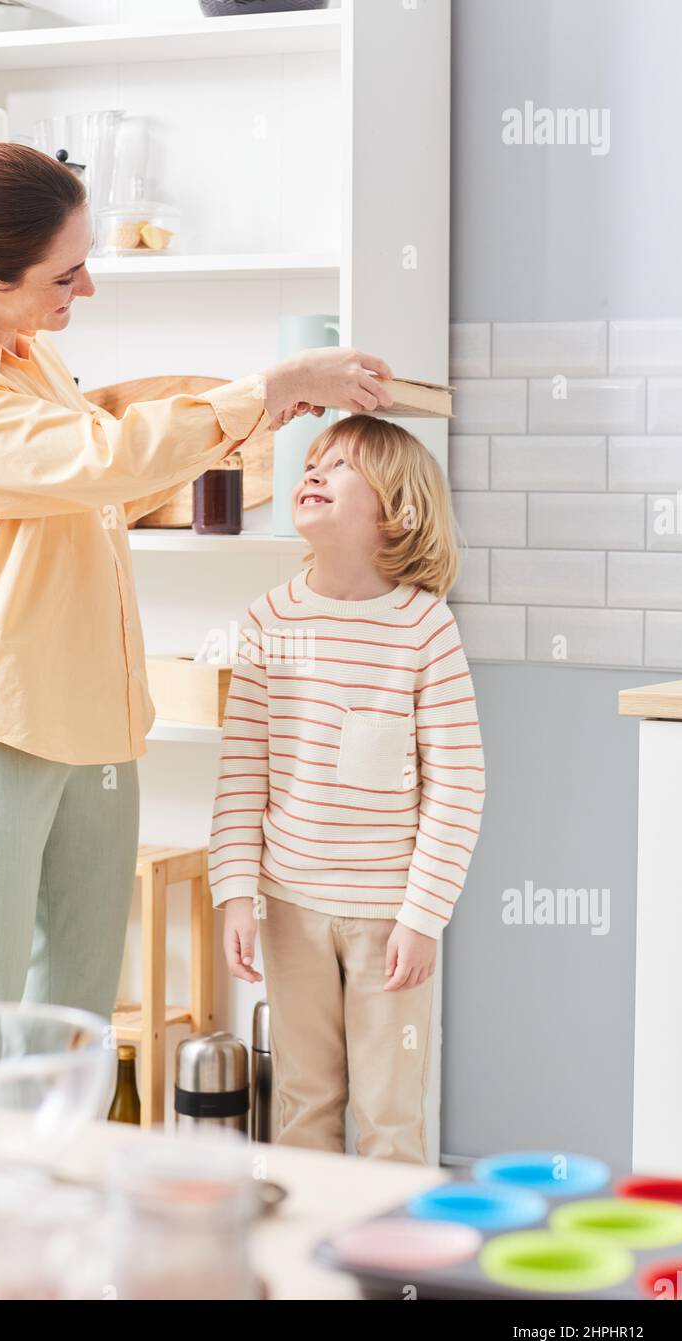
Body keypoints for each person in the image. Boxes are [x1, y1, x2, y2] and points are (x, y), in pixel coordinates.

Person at [0, 142, 394, 1019]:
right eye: (66, 277)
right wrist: (266, 387)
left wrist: (262, 409)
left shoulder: (31, 358)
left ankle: (54, 1158)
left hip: (95, 720)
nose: (86, 291)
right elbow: (102, 457)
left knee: (77, 1004)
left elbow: (116, 475)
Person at [209, 415, 486, 1163]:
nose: (314, 471)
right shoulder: (269, 621)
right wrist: (237, 892)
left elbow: (459, 785)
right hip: (289, 905)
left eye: (341, 466)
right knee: (303, 1101)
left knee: (389, 1113)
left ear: (395, 511)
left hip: (387, 915)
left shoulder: (425, 629)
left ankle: (391, 1274)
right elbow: (240, 773)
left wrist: (424, 916)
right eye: (315, 460)